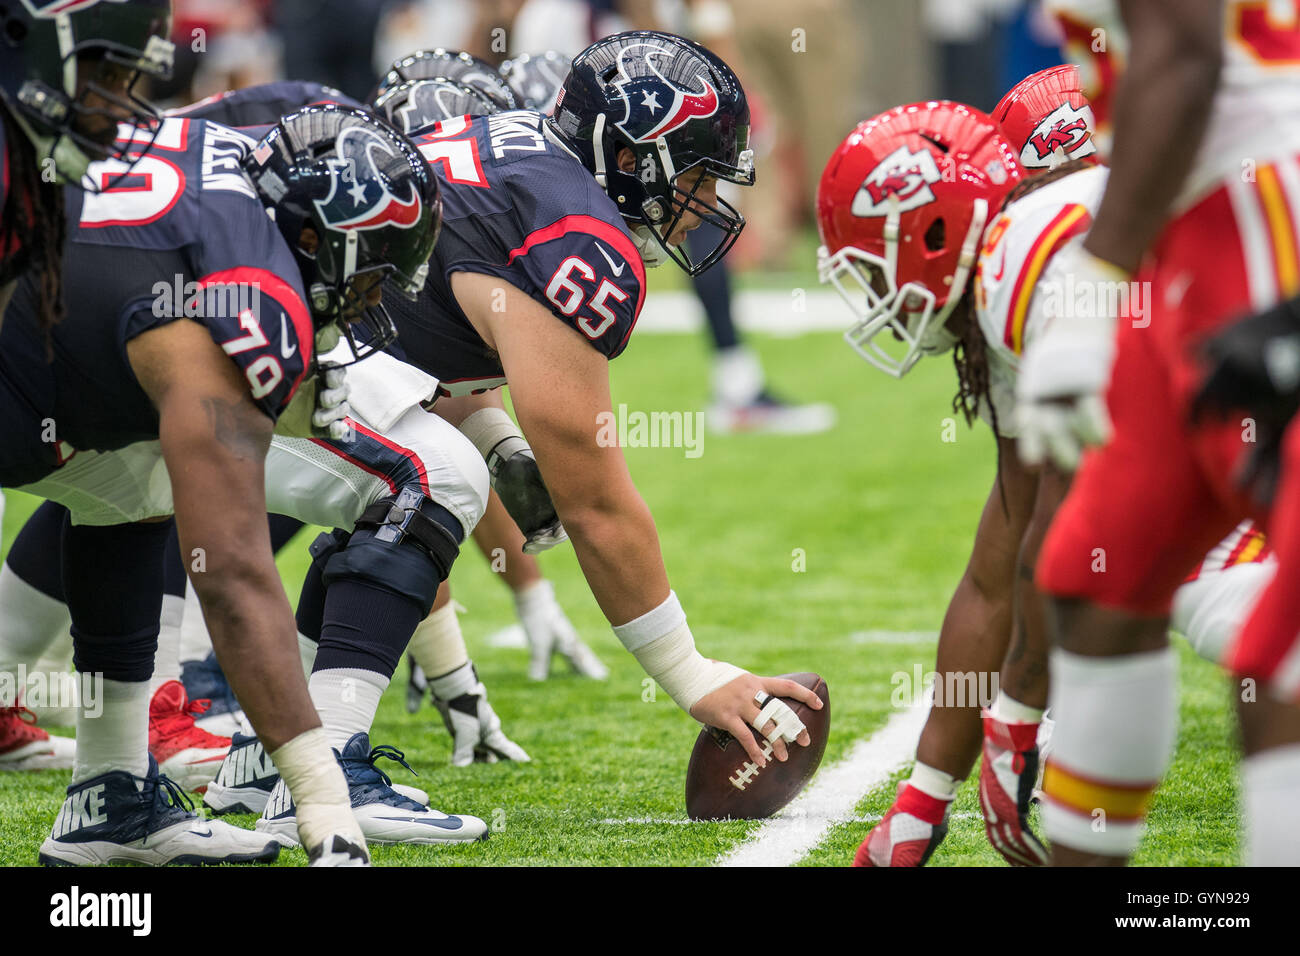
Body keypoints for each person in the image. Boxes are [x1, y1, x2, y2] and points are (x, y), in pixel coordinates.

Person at [0, 103, 442, 866]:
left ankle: (109, 799)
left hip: (41, 345)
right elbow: (232, 576)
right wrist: (322, 798)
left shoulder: (233, 171)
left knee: (134, 479)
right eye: (369, 275)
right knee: (166, 487)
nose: (374, 301)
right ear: (312, 239)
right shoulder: (239, 308)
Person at [377, 29, 823, 772]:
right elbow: (594, 502)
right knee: (424, 480)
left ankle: (257, 726)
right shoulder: (579, 237)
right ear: (628, 157)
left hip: (270, 344)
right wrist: (692, 672)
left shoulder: (515, 149)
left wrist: (491, 434)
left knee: (414, 469)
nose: (708, 202)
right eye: (698, 176)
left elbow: (421, 355)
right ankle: (277, 744)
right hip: (256, 354)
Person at [1016, 0, 1300, 866]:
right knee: (1098, 580)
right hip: (1189, 225)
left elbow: (1184, 53)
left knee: (1282, 656)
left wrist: (1095, 284)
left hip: (1261, 210)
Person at [0, 0, 175, 771]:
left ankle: (113, 789)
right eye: (105, 75)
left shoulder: (26, 149)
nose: (119, 104)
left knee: (137, 476)